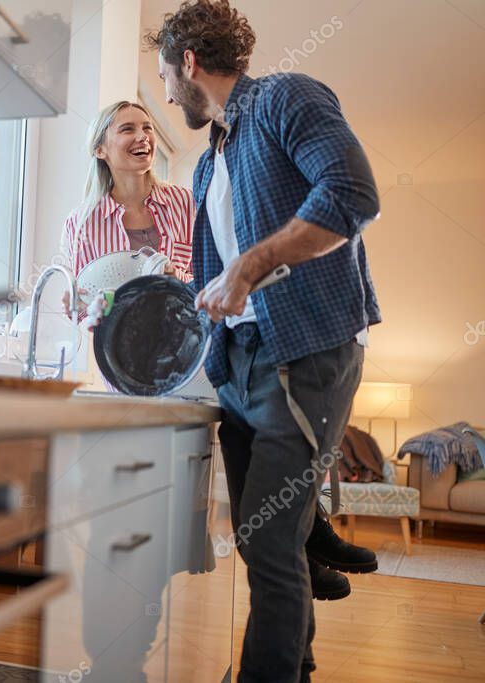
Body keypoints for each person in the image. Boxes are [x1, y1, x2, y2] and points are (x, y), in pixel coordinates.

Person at [144, 1, 381, 681]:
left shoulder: (284, 98)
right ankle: (295, 649)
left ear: (188, 63)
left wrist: (248, 267)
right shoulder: (207, 163)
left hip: (304, 349)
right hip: (240, 363)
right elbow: (213, 282)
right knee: (263, 540)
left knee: (269, 541)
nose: (166, 95)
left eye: (164, 77)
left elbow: (352, 194)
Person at [59, 100, 196, 325]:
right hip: (122, 342)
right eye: (128, 129)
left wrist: (176, 279)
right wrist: (84, 309)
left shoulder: (186, 203)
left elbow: (214, 279)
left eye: (147, 128)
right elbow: (83, 310)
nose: (143, 136)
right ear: (100, 149)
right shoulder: (82, 223)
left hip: (188, 336)